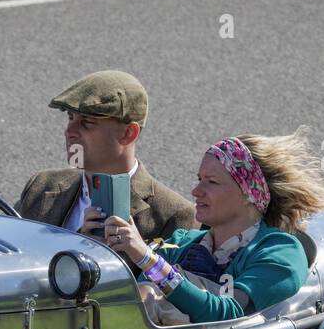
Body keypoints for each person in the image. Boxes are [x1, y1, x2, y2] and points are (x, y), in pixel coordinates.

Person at [102, 129, 324, 323]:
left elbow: (228, 313)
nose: (196, 191)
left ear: (249, 194)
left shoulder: (280, 252)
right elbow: (124, 297)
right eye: (199, 179)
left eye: (212, 182)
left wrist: (146, 258)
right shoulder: (181, 242)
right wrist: (101, 248)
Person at [16, 70, 196, 244]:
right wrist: (76, 244)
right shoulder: (41, 185)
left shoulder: (173, 214)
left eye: (87, 122)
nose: (69, 131)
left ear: (128, 133)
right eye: (71, 118)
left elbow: (171, 275)